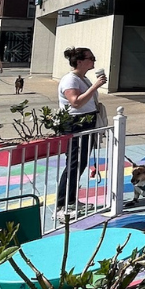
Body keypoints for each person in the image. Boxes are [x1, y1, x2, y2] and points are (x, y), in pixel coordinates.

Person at [55, 46, 104, 216]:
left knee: (81, 163)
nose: (93, 61)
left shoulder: (82, 79)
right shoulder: (71, 80)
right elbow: (75, 102)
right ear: (80, 61)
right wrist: (95, 86)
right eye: (90, 58)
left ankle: (71, 200)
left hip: (86, 122)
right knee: (74, 163)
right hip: (76, 124)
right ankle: (63, 203)